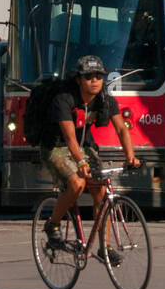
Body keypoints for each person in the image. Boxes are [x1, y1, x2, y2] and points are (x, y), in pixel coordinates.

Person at [43, 55, 140, 248]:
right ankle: (52, 224)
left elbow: (121, 128)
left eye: (99, 76)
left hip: (85, 147)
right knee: (77, 184)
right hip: (56, 146)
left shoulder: (105, 99)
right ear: (79, 79)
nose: (94, 81)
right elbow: (70, 138)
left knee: (101, 192)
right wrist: (81, 163)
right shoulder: (64, 99)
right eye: (88, 77)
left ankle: (105, 247)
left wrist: (130, 156)